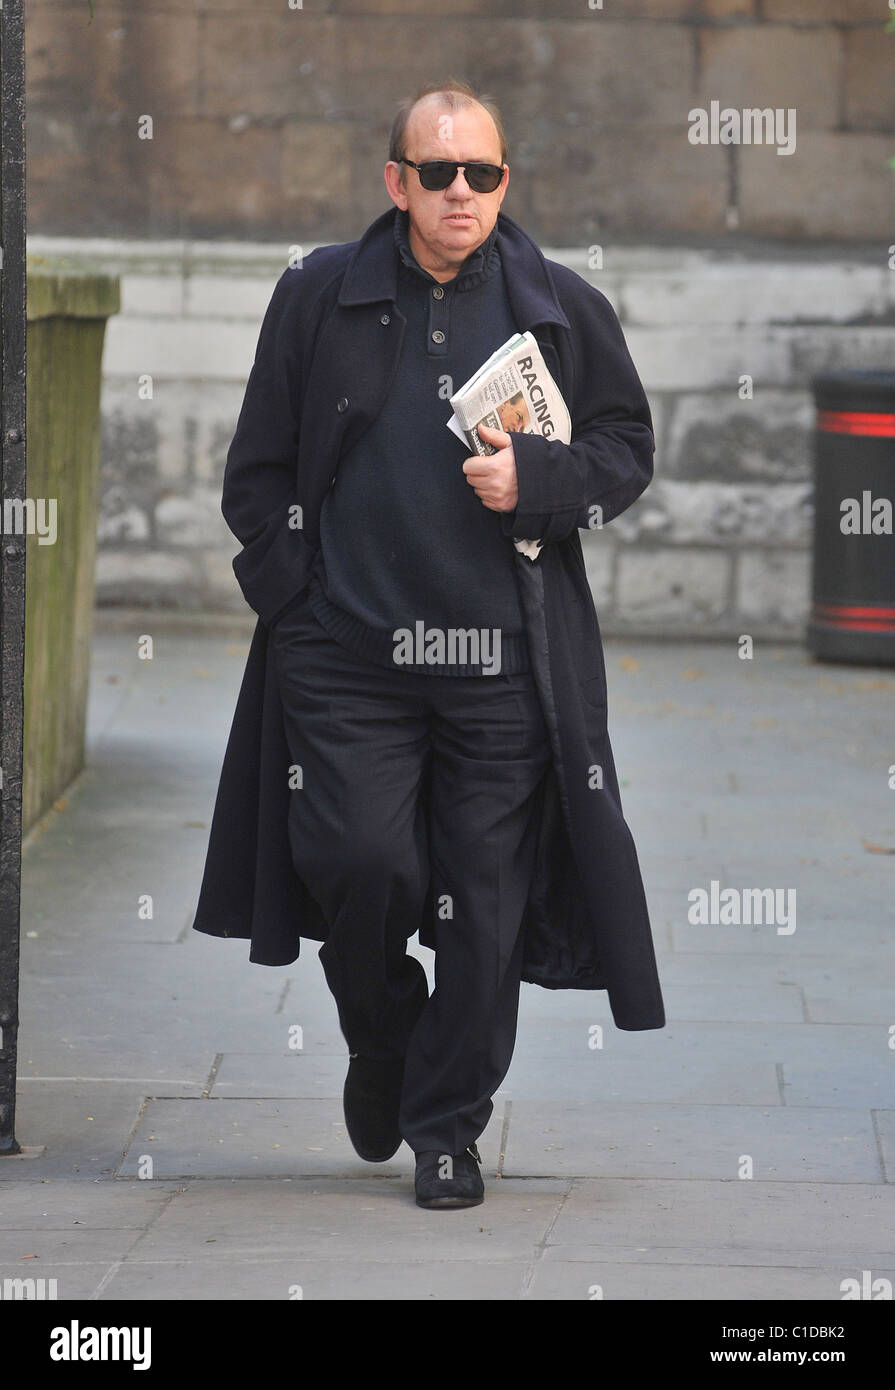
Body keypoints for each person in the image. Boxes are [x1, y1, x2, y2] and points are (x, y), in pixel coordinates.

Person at [193, 76, 666, 1211]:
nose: (463, 193)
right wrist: (294, 601)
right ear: (396, 180)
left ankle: (447, 1128)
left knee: (484, 908)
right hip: (349, 657)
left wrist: (537, 479)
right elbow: (256, 475)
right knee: (362, 864)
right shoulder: (317, 297)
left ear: (505, 181)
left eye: (484, 174)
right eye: (439, 172)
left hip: (503, 667)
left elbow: (626, 450)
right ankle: (382, 1033)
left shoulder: (556, 302)